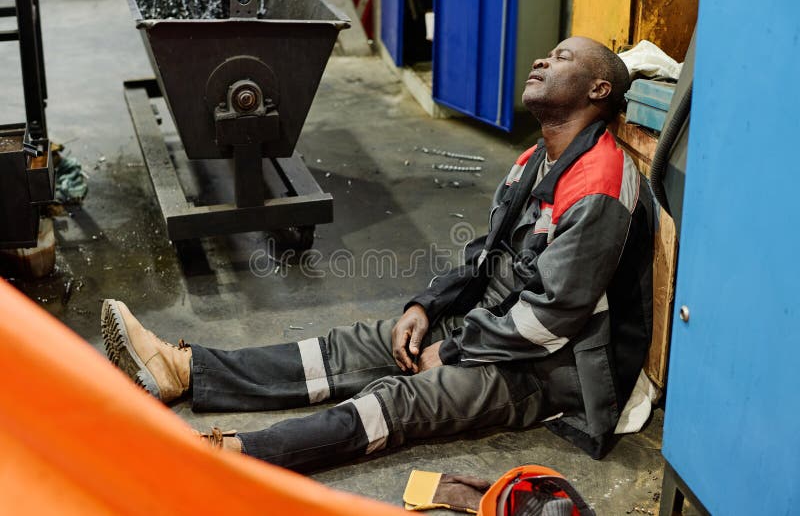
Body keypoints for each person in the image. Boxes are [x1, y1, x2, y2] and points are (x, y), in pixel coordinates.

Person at [102, 36, 653, 472]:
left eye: (561, 58)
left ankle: (232, 457)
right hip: (494, 326)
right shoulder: (538, 156)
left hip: (550, 367)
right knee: (355, 346)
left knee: (403, 398)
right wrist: (427, 307)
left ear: (598, 89)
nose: (541, 59)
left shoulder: (601, 181)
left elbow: (553, 318)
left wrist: (457, 348)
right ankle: (184, 370)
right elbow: (484, 253)